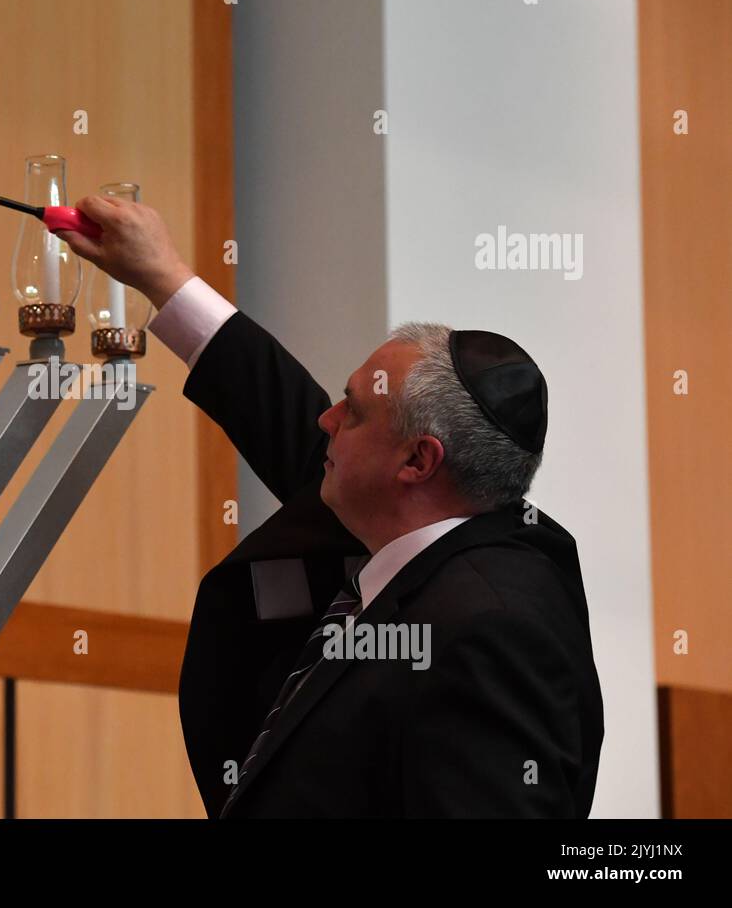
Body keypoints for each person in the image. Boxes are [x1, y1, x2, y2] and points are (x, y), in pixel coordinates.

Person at [56, 196, 604, 818]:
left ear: (417, 463)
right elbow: (282, 413)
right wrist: (163, 277)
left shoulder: (493, 626)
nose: (327, 419)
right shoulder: (421, 526)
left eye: (353, 409)